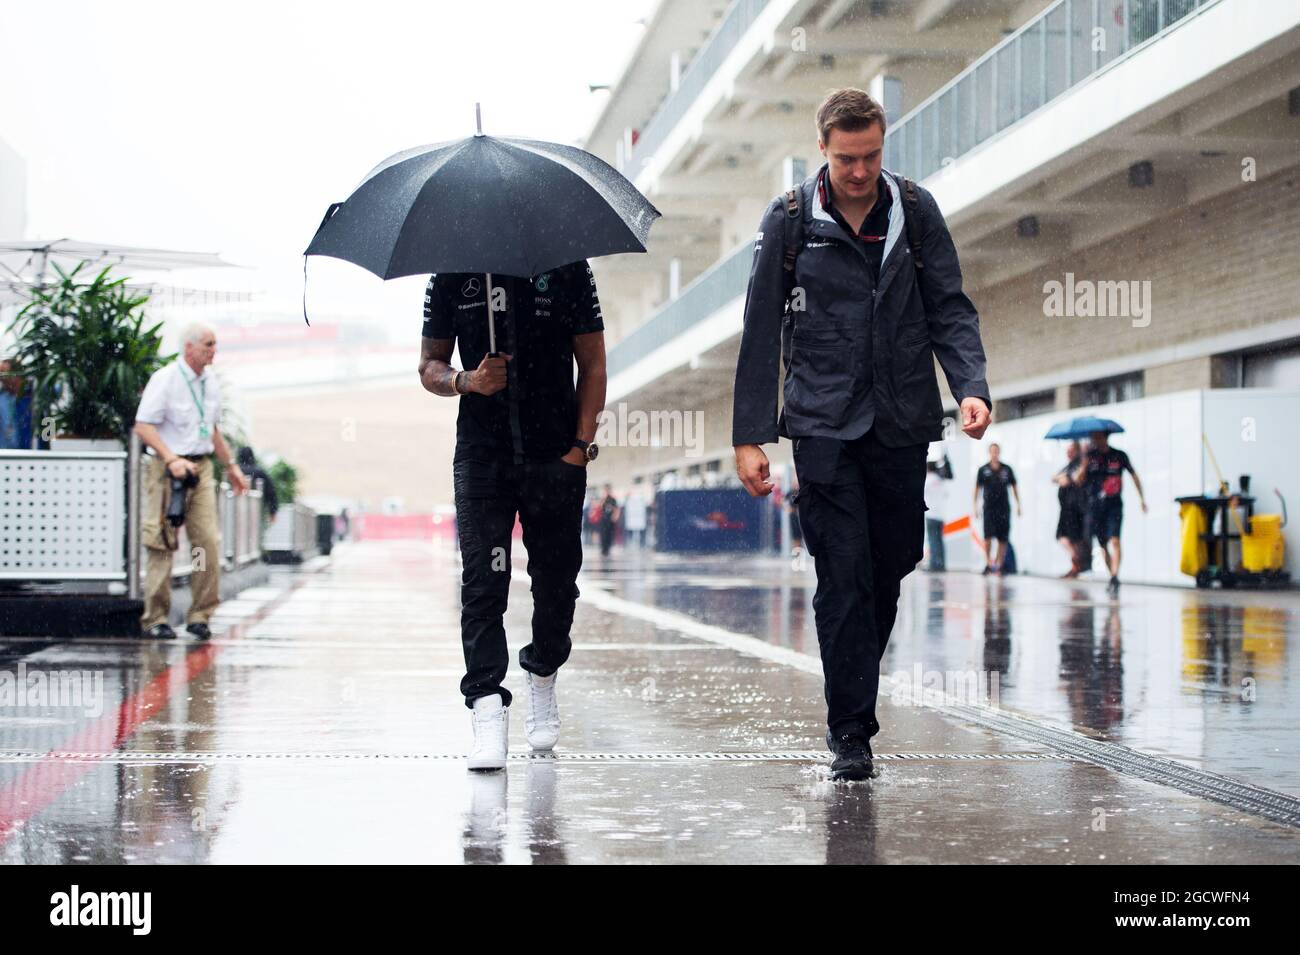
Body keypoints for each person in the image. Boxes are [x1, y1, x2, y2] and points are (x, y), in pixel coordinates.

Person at [732, 88, 992, 781]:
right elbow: (760, 328)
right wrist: (751, 435)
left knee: (893, 561)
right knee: (843, 577)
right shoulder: (790, 221)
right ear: (823, 149)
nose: (859, 171)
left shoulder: (915, 208)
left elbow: (950, 307)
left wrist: (970, 385)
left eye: (871, 155)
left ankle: (852, 682)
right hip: (822, 425)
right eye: (847, 158)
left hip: (902, 418)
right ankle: (851, 730)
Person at [418, 261, 605, 771]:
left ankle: (543, 670)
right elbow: (428, 367)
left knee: (556, 583)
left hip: (555, 455)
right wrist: (466, 380)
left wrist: (579, 448)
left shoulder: (568, 266)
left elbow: (592, 364)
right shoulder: (451, 272)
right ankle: (485, 706)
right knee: (483, 581)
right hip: (483, 458)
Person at [133, 324, 249, 640]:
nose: (213, 350)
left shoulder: (210, 383)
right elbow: (143, 426)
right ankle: (155, 618)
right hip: (167, 466)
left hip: (201, 467)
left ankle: (200, 615)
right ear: (189, 347)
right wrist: (172, 458)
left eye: (215, 344)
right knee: (161, 540)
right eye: (208, 344)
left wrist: (232, 467)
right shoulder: (166, 378)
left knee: (207, 541)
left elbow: (210, 429)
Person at [1073, 430, 1147, 596]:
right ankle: (1111, 575)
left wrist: (1142, 499)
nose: (1095, 440)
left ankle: (1114, 576)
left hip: (1114, 506)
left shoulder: (1119, 456)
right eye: (1093, 437)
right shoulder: (1089, 457)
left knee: (1115, 540)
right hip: (1095, 507)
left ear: (1105, 437)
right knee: (1103, 544)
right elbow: (1078, 481)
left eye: (1098, 437)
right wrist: (1084, 465)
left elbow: (1134, 476)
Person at [974, 443, 1020, 575]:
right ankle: (988, 563)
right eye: (992, 451)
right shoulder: (983, 470)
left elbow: (1014, 487)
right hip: (989, 508)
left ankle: (1000, 564)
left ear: (999, 452)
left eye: (996, 451)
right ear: (989, 452)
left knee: (1002, 538)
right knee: (988, 536)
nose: (995, 453)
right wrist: (975, 506)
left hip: (1004, 508)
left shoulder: (1007, 469)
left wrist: (1018, 505)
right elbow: (977, 489)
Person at [1052, 441, 1088, 578]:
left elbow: (1075, 479)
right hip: (1065, 508)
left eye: (1071, 450)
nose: (1068, 452)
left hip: (1075, 508)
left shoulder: (1080, 464)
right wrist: (1062, 478)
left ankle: (1077, 563)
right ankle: (1075, 562)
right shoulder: (1068, 466)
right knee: (1062, 537)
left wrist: (1065, 478)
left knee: (1073, 537)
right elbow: (1054, 478)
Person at [235, 445, 279, 519]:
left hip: (236, 510)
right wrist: (272, 511)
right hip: (257, 511)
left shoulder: (236, 472)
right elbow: (271, 491)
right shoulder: (260, 472)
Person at [0, 359, 34, 450]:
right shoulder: (2, 398)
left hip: (29, 452)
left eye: (4, 374)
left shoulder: (32, 396)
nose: (2, 379)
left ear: (17, 376)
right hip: (5, 453)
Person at [923, 456, 949, 572]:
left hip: (931, 514)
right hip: (941, 514)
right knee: (939, 540)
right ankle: (941, 564)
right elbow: (945, 495)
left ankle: (934, 565)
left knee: (933, 540)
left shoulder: (927, 480)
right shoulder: (940, 480)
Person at [598, 484, 620, 556]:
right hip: (604, 519)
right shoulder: (603, 499)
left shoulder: (613, 499)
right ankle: (603, 548)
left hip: (610, 520)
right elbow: (600, 508)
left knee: (609, 534)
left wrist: (615, 516)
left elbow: (616, 509)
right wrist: (603, 499)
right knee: (603, 535)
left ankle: (608, 548)